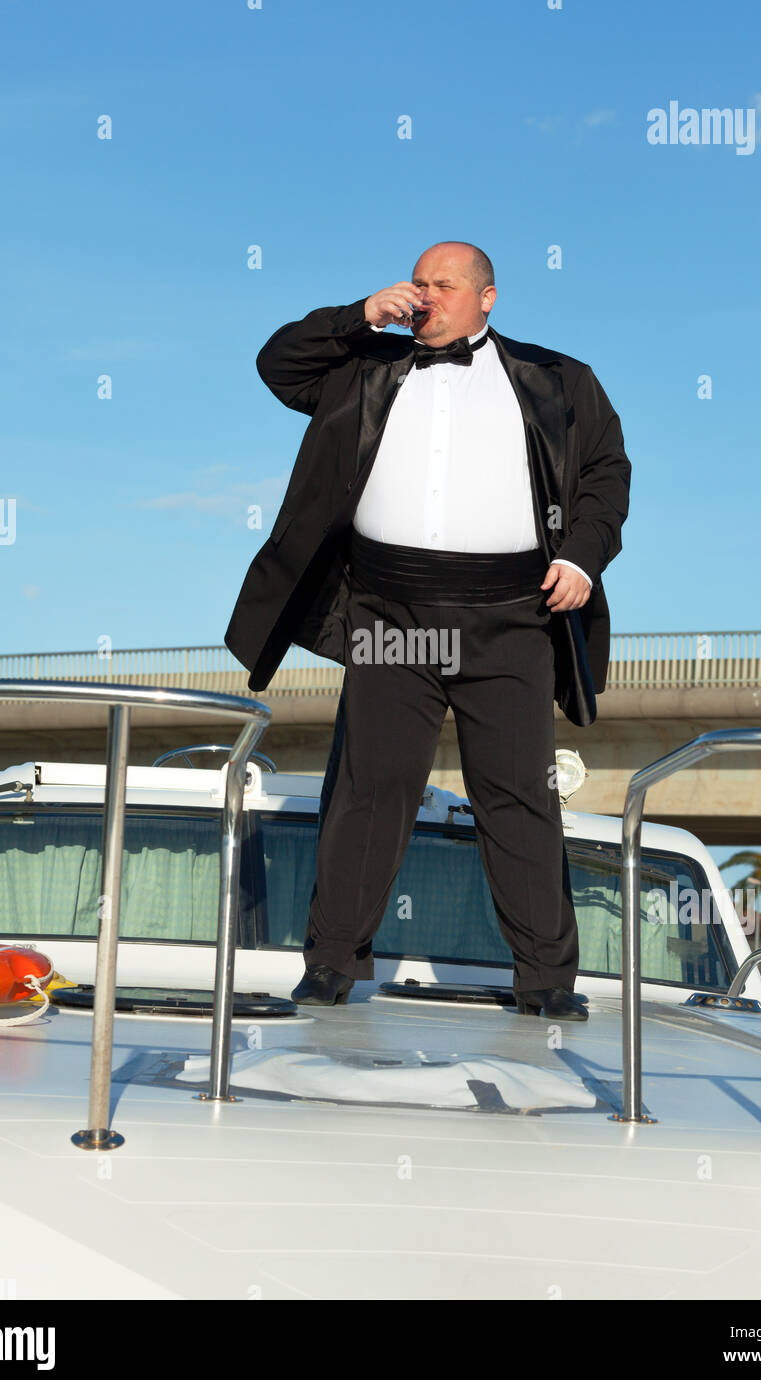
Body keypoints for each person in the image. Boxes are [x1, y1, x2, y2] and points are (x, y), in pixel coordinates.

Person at [224, 242, 631, 1019]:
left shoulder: (558, 380)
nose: (426, 295)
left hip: (513, 616)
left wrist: (583, 554)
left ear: (487, 298)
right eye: (418, 282)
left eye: (443, 285)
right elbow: (277, 364)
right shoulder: (363, 364)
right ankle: (333, 966)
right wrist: (357, 315)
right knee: (368, 789)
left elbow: (607, 473)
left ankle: (546, 981)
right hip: (391, 612)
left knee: (518, 796)